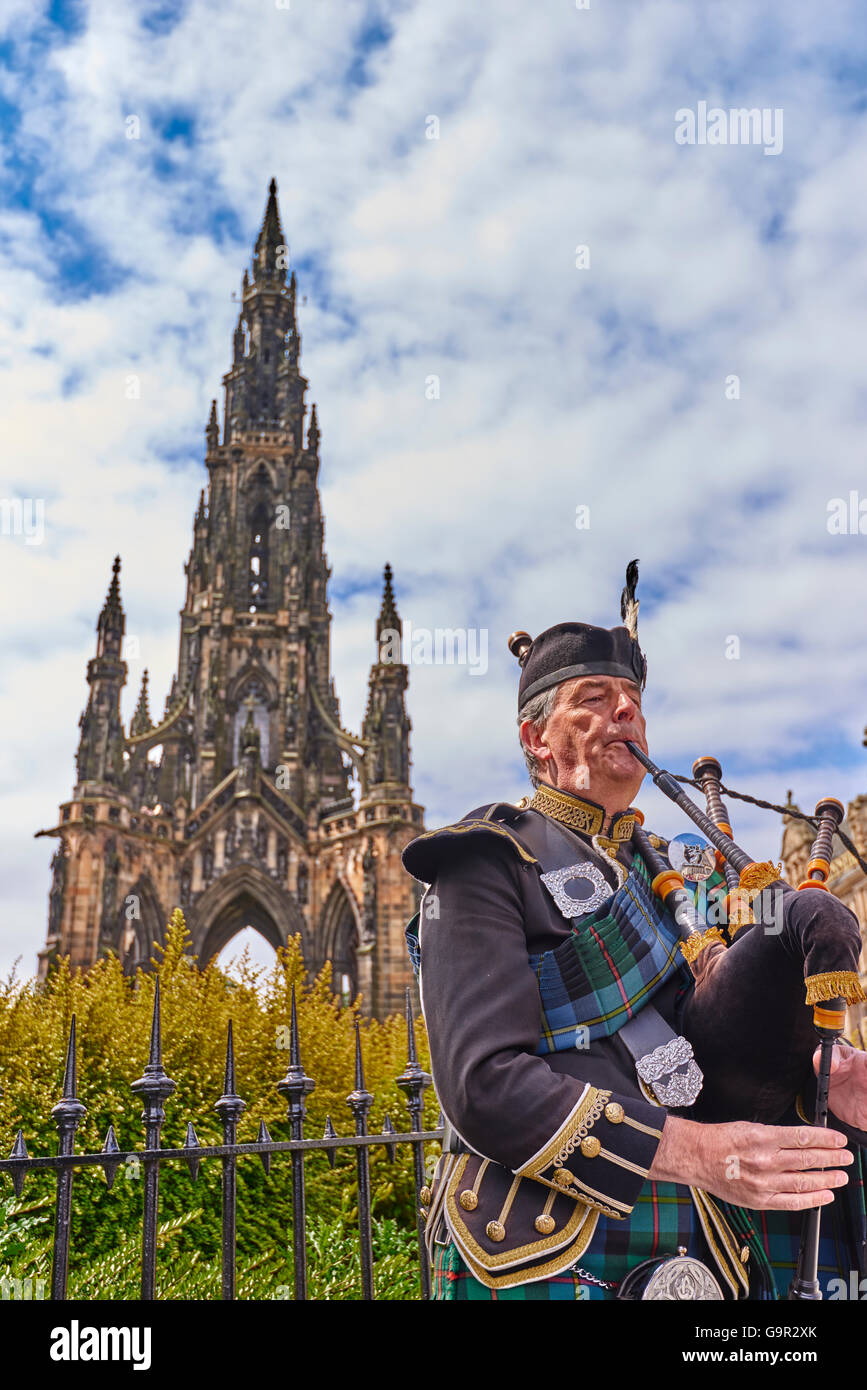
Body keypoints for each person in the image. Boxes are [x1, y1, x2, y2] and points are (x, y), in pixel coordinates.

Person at [401, 577, 867, 1300]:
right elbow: (481, 1086)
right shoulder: (485, 862)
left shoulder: (671, 871)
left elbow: (705, 1040)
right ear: (535, 739)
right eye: (591, 699)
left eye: (634, 702)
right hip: (544, 1245)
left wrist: (815, 1066)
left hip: (709, 1236)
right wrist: (694, 1151)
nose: (624, 710)